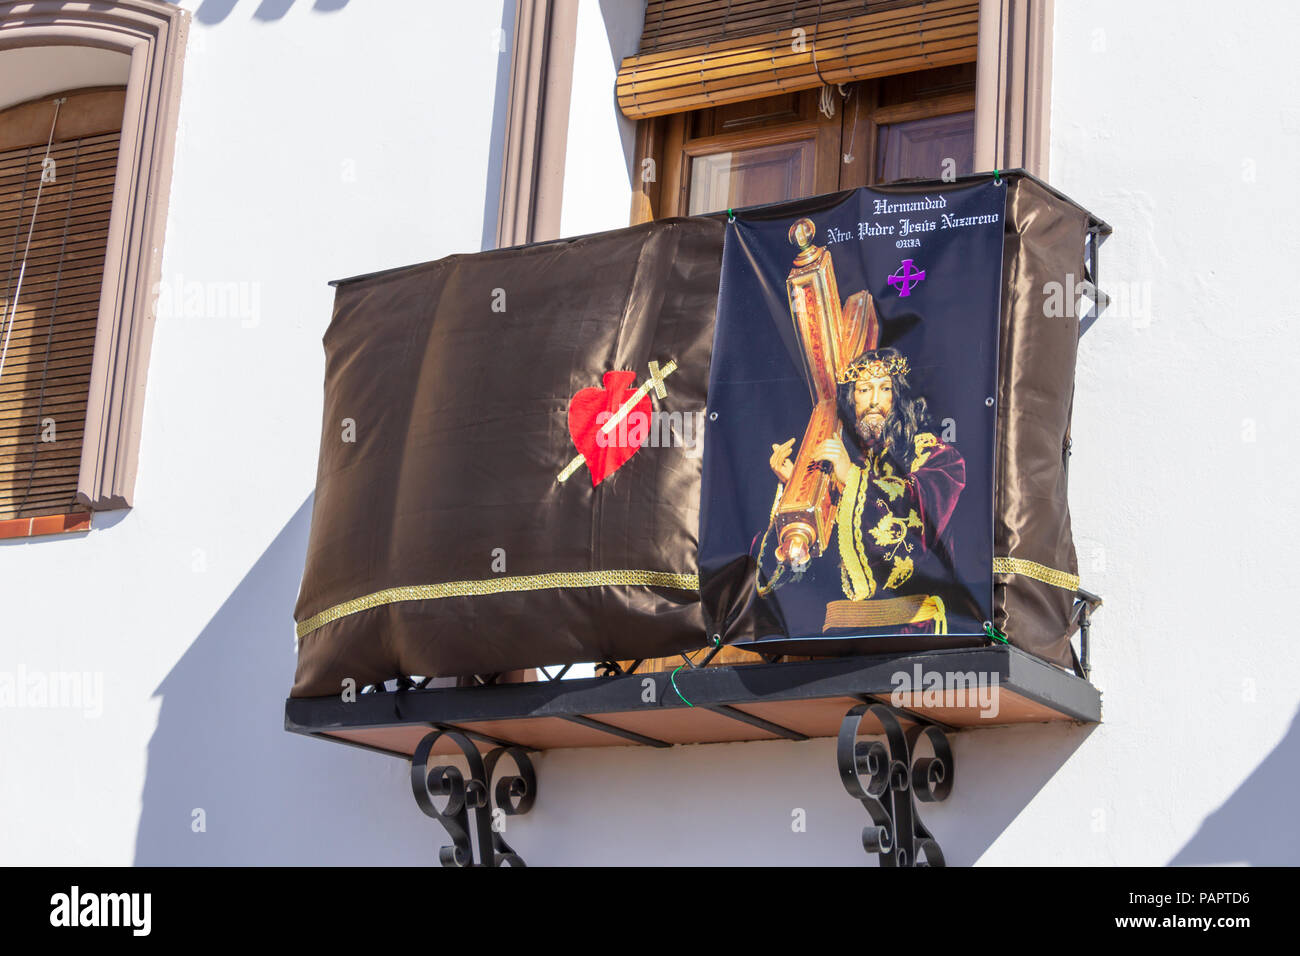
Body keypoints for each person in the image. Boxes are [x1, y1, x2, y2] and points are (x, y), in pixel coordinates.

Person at [762, 347, 966, 634]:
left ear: (898, 396)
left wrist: (850, 478)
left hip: (912, 630)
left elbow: (920, 508)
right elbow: (800, 570)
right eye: (863, 390)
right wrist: (796, 488)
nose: (873, 401)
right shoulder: (844, 463)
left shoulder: (933, 455)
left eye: (884, 388)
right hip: (843, 634)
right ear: (851, 400)